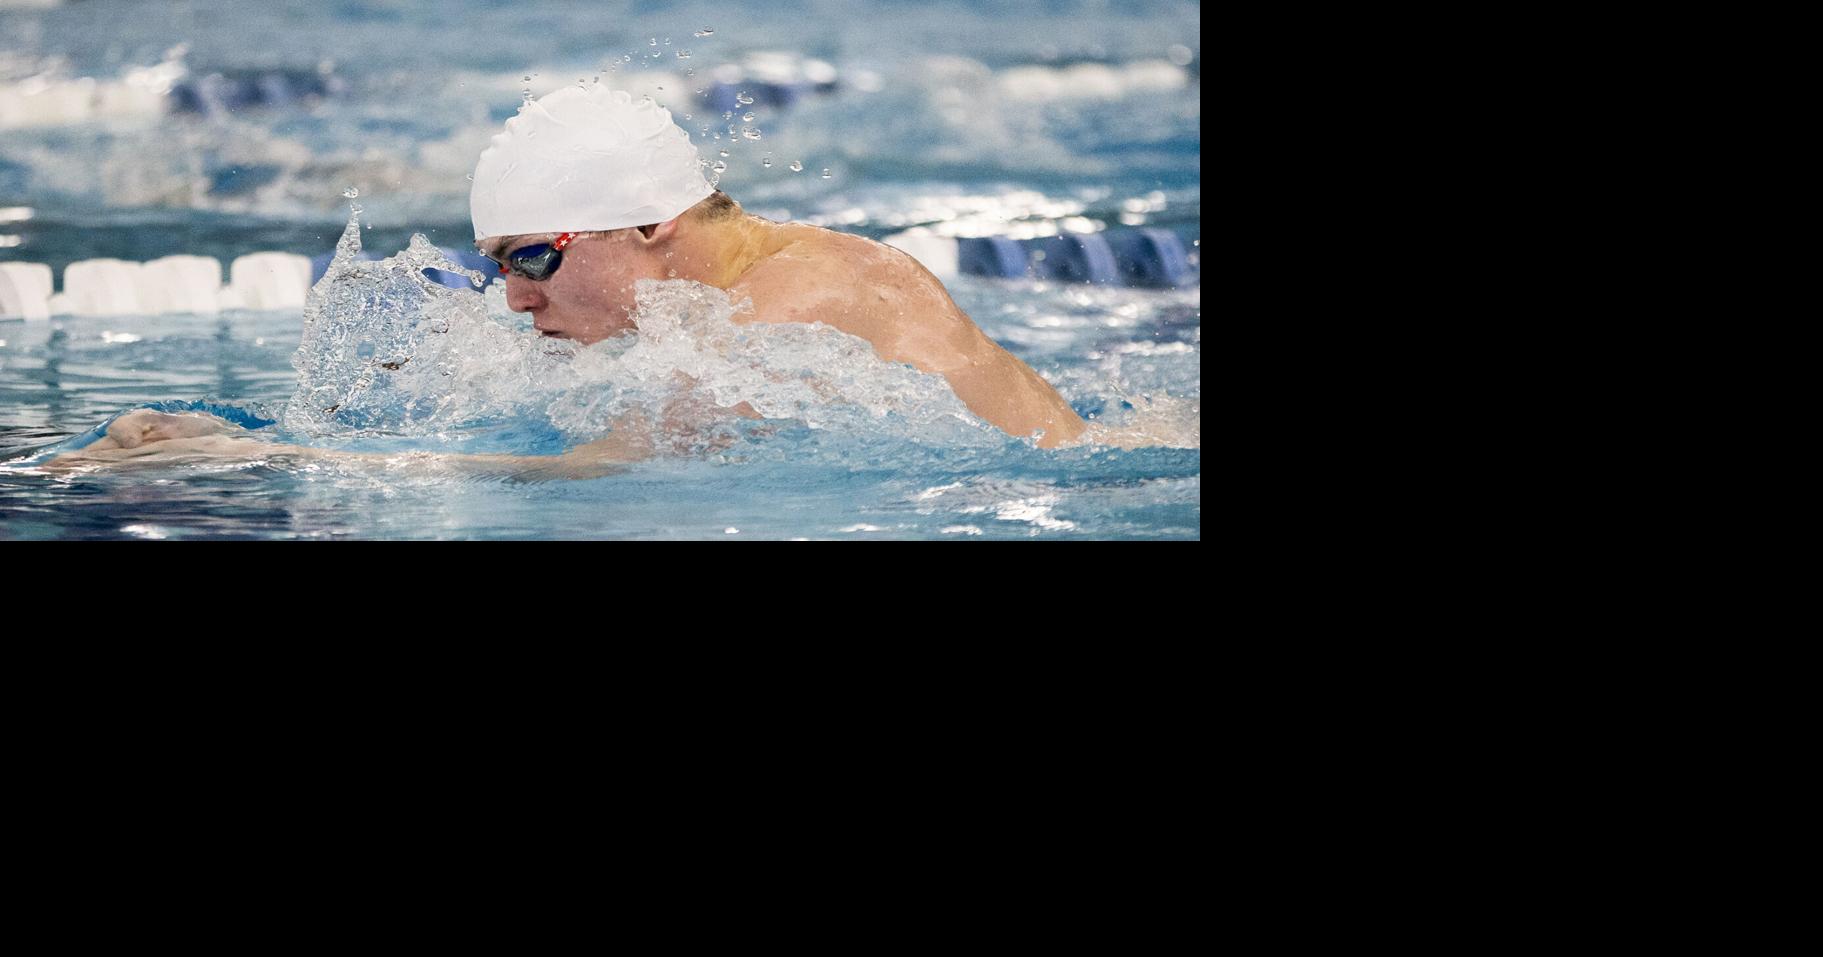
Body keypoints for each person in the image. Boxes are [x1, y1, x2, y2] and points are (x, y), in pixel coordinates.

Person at [48, 85, 1087, 474]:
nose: (513, 299)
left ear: (648, 225)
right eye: (497, 267)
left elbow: (604, 468)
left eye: (534, 259)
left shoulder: (802, 299)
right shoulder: (704, 301)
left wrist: (262, 460)